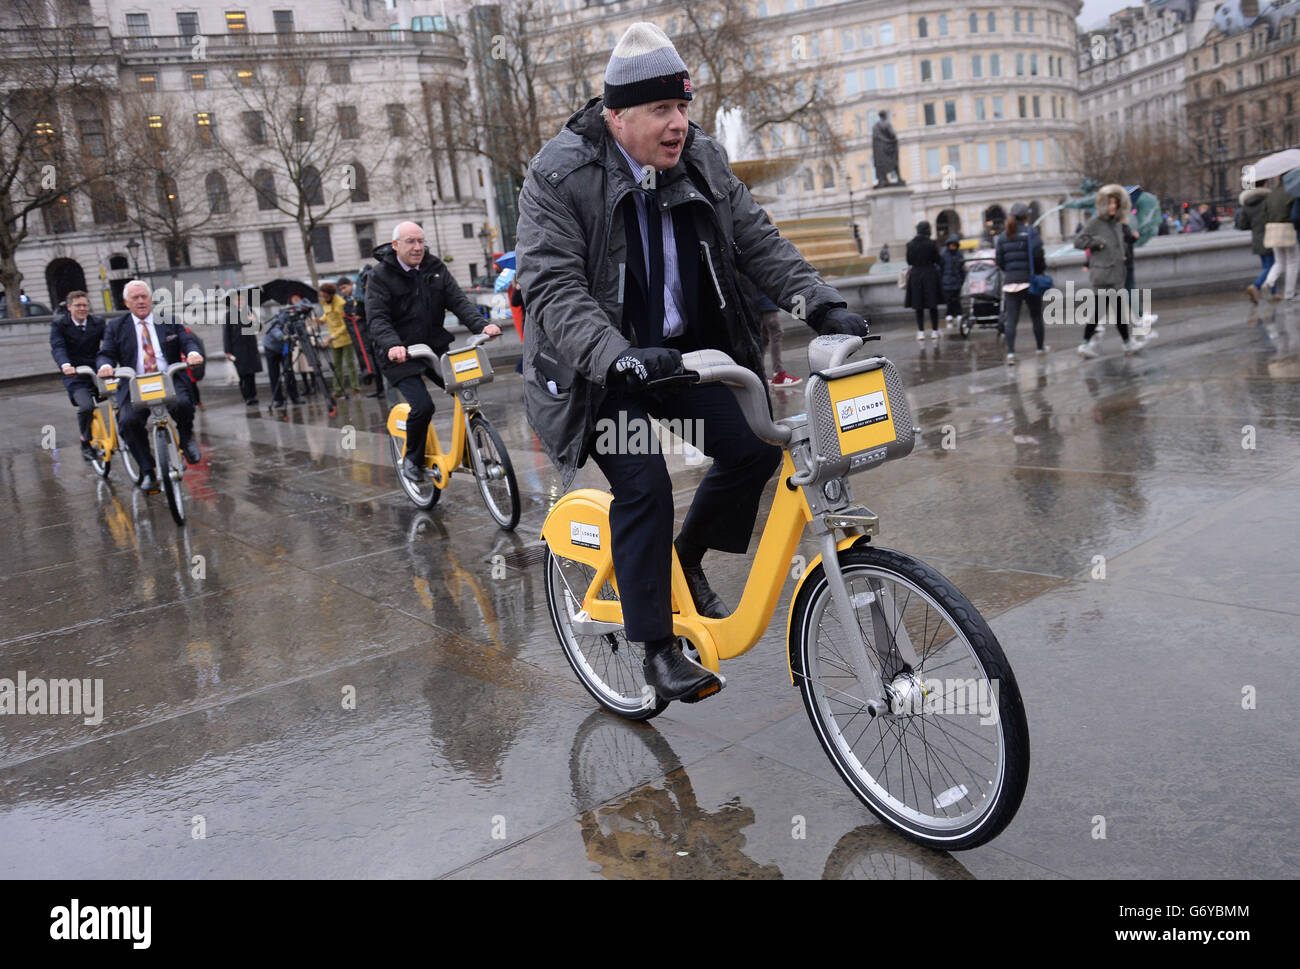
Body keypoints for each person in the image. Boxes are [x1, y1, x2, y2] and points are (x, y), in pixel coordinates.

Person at [515, 22, 869, 702]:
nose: (678, 124)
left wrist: (819, 304)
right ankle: (655, 646)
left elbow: (757, 239)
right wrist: (617, 358)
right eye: (661, 111)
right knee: (644, 481)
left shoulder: (702, 157)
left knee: (754, 449)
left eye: (683, 106)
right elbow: (555, 290)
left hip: (680, 357)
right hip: (599, 370)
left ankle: (685, 556)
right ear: (617, 117)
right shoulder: (557, 174)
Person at [366, 220, 500, 483]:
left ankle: (474, 451)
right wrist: (393, 345)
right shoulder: (380, 276)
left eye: (421, 241)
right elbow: (377, 318)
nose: (418, 247)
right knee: (423, 406)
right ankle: (412, 461)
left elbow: (457, 300)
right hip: (400, 354)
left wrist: (482, 326)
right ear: (395, 245)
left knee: (466, 393)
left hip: (434, 348)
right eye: (411, 242)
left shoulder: (434, 267)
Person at [96, 279, 204, 491]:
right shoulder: (116, 327)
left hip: (168, 377)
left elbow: (186, 339)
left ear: (151, 298)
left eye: (144, 296)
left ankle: (186, 438)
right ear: (127, 302)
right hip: (135, 382)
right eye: (135, 298)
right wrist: (106, 366)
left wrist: (192, 353)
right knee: (127, 422)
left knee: (183, 403)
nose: (140, 301)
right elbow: (106, 352)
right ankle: (147, 470)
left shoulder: (168, 320)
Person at [1073, 184, 1137, 358]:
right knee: (1114, 310)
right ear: (1103, 204)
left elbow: (1118, 245)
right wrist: (1097, 242)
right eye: (1109, 204)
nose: (1112, 207)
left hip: (1115, 273)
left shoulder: (1116, 223)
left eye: (1115, 204)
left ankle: (1087, 344)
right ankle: (1126, 343)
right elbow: (1078, 241)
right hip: (1102, 274)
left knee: (1105, 310)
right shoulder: (1095, 222)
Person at [48, 290, 106, 460]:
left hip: (97, 371)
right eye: (78, 305)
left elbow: (111, 342)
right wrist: (66, 365)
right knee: (87, 407)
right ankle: (85, 441)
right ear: (69, 307)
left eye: (85, 305)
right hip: (75, 375)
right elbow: (58, 347)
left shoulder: (98, 322)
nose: (82, 308)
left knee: (124, 398)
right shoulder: (59, 325)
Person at [995, 204, 1048, 364]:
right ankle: (1040, 348)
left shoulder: (1003, 236)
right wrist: (1039, 270)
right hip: (1029, 281)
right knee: (1036, 316)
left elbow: (999, 261)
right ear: (1025, 217)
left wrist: (1010, 272)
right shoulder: (1031, 233)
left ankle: (1011, 353)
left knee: (1011, 319)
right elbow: (1038, 255)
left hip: (1011, 282)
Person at [316, 282, 358, 397]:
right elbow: (328, 315)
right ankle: (338, 390)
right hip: (334, 340)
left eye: (324, 295)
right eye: (322, 296)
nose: (323, 298)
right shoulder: (325, 302)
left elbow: (345, 323)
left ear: (330, 294)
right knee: (336, 366)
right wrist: (320, 320)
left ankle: (355, 388)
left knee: (350, 364)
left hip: (345, 338)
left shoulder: (341, 303)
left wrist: (332, 337)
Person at [1260, 180, 1299, 301]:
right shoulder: (1291, 193)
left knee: (1279, 261)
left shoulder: (1271, 194)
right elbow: (1295, 215)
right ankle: (1289, 293)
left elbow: (1264, 214)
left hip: (1272, 229)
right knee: (1293, 261)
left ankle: (1269, 282)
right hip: (1287, 228)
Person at [222, 290, 262, 407]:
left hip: (250, 348)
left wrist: (254, 321)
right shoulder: (229, 315)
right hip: (237, 349)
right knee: (242, 374)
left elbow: (257, 329)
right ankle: (247, 397)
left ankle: (253, 395)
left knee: (251, 374)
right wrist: (227, 351)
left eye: (242, 299)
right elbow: (226, 334)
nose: (240, 302)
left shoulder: (250, 312)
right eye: (237, 300)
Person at [904, 221, 942, 341]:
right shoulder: (931, 243)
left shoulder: (910, 244)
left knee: (918, 305)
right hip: (930, 274)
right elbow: (937, 259)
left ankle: (921, 332)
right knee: (932, 305)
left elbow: (909, 261)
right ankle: (934, 331)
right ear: (927, 230)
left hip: (916, 275)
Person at [1237, 184, 1274, 303]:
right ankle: (1255, 286)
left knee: (1267, 266)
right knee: (1271, 266)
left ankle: (1273, 293)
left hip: (1256, 239)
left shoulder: (1247, 203)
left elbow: (1242, 225)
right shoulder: (1268, 200)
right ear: (1264, 185)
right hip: (1269, 236)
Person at [939, 234, 966, 329]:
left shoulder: (959, 254)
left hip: (956, 281)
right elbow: (940, 268)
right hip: (947, 281)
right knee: (949, 299)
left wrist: (962, 279)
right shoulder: (944, 254)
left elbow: (962, 269)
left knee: (956, 299)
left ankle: (957, 315)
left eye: (954, 245)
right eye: (951, 245)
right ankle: (950, 315)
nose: (953, 247)